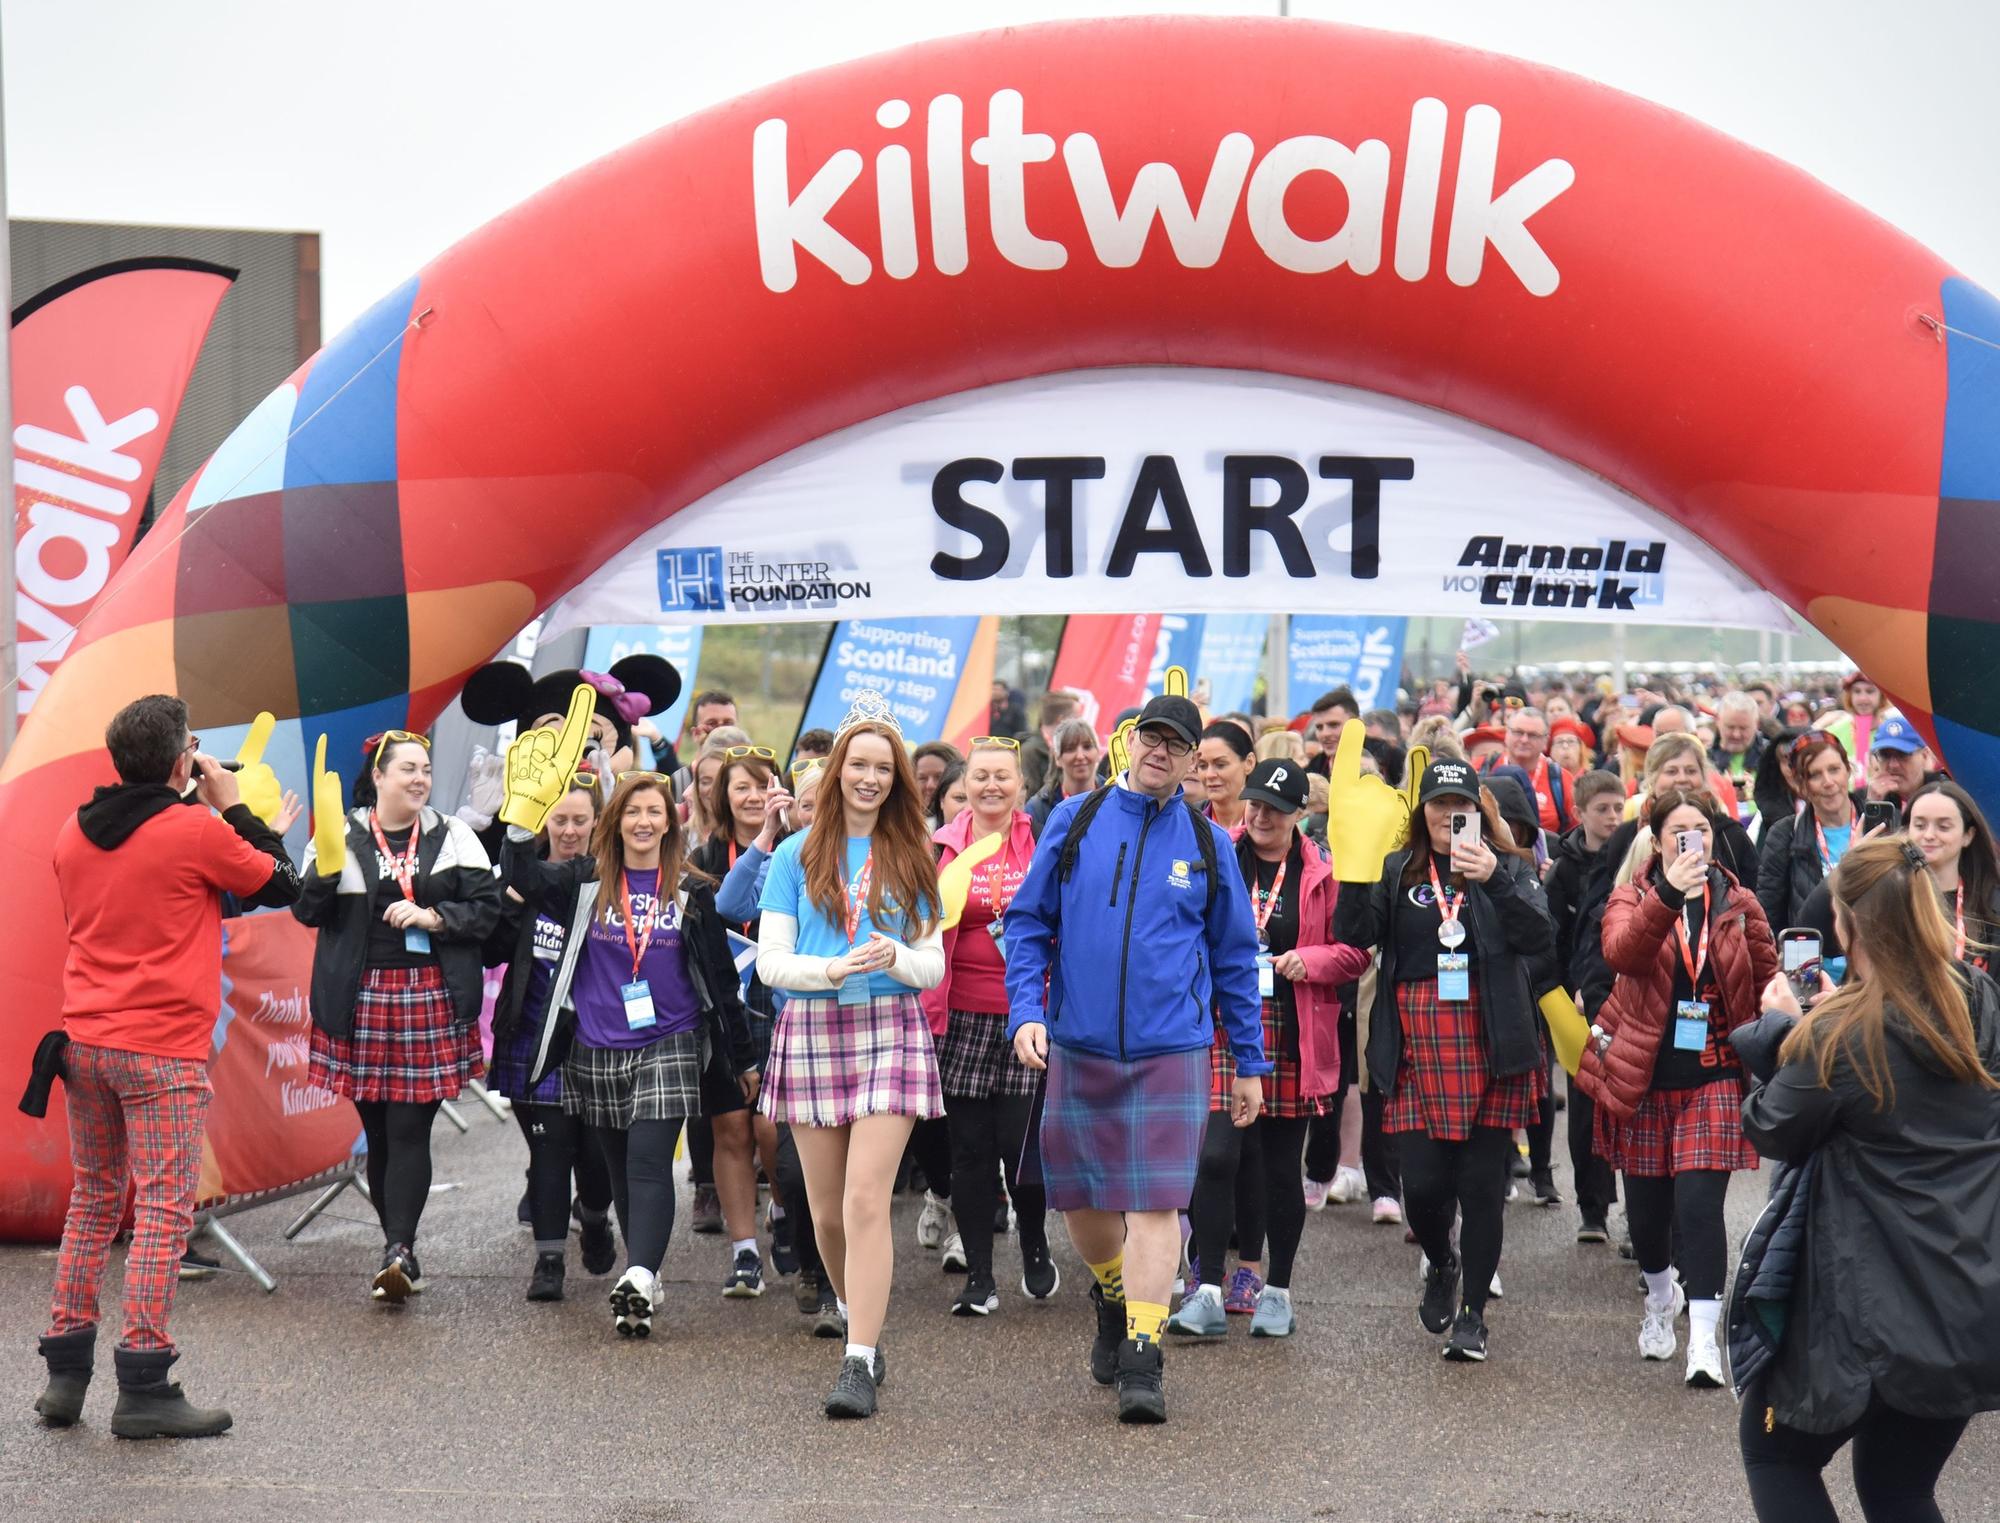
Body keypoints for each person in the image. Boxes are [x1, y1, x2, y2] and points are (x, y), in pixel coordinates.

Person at [36, 696, 301, 1439]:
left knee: (94, 1201)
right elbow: (283, 884)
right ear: (183, 759)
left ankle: (65, 1375)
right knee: (160, 1211)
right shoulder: (194, 830)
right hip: (160, 1052)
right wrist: (235, 809)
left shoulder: (73, 830)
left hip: (85, 1041)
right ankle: (144, 1383)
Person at [1006, 690, 1267, 1423]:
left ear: (1193, 763)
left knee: (1155, 1204)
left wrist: (1248, 1062)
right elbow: (1027, 924)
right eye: (1152, 737)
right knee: (1082, 1202)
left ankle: (1143, 1357)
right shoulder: (1075, 818)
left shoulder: (1209, 843)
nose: (1161, 751)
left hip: (1172, 1048)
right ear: (1131, 742)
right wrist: (1026, 1011)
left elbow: (1236, 958)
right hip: (1077, 1042)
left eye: (1177, 745)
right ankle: (1114, 1295)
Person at [1734, 836, 2000, 1522]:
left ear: (1848, 924)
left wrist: (1785, 1028)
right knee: (1897, 1487)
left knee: (1775, 1454)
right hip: (1967, 1298)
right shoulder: (1980, 1000)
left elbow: (1772, 1125)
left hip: (1869, 1309)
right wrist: (1827, 1020)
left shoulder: (1843, 1034)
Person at [504, 770, 759, 1338]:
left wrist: (742, 1058)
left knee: (648, 1161)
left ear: (670, 823)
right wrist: (522, 816)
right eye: (632, 812)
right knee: (620, 1169)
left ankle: (639, 1273)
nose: (643, 822)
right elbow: (522, 876)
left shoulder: (691, 889)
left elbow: (722, 980)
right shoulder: (584, 880)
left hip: (672, 1044)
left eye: (654, 812)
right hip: (595, 1046)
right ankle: (646, 1275)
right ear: (614, 822)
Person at [755, 695, 946, 1419]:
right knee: (827, 1213)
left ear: (898, 780)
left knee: (867, 1199)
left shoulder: (913, 853)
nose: (870, 778)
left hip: (891, 1028)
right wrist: (830, 969)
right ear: (836, 770)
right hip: (811, 1025)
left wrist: (895, 956)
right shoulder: (794, 854)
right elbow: (771, 962)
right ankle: (853, 1307)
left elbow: (931, 965)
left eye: (884, 768)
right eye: (858, 765)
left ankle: (858, 1356)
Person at [1332, 757, 1554, 1364]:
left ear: (1478, 811)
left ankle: (1473, 1315)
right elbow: (1354, 934)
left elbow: (1540, 938)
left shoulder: (1509, 865)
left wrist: (1495, 880)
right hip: (1416, 1036)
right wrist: (1352, 869)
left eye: (1462, 804)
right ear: (1421, 811)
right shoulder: (1397, 868)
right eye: (1439, 803)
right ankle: (1442, 1260)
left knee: (1481, 1186)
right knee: (1424, 1186)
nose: (1450, 814)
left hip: (1490, 1033)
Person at [1578, 788, 1775, 1388]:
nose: (1694, 841)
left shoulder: (1738, 902)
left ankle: (1705, 1341)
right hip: (1645, 1075)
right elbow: (1623, 954)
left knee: (1699, 1207)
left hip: (1714, 1072)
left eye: (1703, 830)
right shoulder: (1631, 896)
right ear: (1657, 839)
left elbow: (1766, 976)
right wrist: (1667, 894)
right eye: (1679, 831)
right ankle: (1660, 1298)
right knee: (1648, 1216)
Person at [297, 732, 501, 1305]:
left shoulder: (452, 834)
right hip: (359, 997)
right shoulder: (339, 833)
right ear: (379, 776)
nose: (420, 779)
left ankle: (399, 1250)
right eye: (408, 768)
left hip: (431, 993)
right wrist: (326, 868)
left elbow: (486, 910)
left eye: (426, 769)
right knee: (381, 1131)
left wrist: (434, 917)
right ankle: (397, 1250)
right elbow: (308, 911)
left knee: (411, 1128)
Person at [1173, 759, 1368, 1341]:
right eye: (1255, 803)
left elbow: (1356, 951)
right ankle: (1208, 1288)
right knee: (1216, 1156)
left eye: (1275, 809)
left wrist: (1312, 960)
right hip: (1222, 1023)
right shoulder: (1216, 851)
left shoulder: (1323, 871)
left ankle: (1276, 1291)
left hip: (1292, 1027)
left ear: (1300, 813)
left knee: (1282, 1168)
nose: (1260, 816)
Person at [922, 737, 1055, 1316]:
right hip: (959, 1016)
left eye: (1003, 775)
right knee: (970, 1153)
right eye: (981, 776)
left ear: (1021, 785)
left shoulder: (1043, 841)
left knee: (1021, 1148)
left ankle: (1034, 1243)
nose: (991, 785)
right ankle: (979, 1276)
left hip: (1027, 1016)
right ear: (964, 785)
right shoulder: (940, 846)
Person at [483, 770, 617, 1302]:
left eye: (580, 820)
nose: (569, 831)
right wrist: (512, 904)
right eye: (559, 820)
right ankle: (549, 1261)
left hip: (598, 1039)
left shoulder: (613, 881)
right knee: (549, 1148)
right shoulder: (523, 878)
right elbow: (490, 949)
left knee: (597, 1157)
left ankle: (595, 1215)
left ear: (597, 822)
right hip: (532, 1037)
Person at [689, 746, 789, 1297]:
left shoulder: (799, 847)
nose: (753, 797)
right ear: (723, 797)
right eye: (741, 787)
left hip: (779, 1003)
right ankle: (744, 1253)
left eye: (762, 785)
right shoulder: (704, 855)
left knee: (772, 1128)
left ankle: (784, 1209)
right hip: (722, 1004)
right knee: (730, 1129)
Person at [1540, 769, 1627, 1242]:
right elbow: (1552, 939)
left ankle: (1640, 1212)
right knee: (1586, 1105)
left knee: (1634, 1105)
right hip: (1578, 1004)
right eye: (1602, 809)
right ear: (1579, 813)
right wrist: (1565, 990)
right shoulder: (1565, 869)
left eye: (1618, 808)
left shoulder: (1633, 857)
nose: (1612, 817)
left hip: (1627, 996)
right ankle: (1593, 1208)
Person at [1756, 732, 1864, 937]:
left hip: (1872, 952)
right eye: (1815, 775)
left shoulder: (1877, 824)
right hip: (1812, 954)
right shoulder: (1784, 834)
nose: (1828, 782)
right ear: (1801, 785)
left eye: (1834, 770)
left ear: (1848, 770)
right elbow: (1767, 919)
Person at [1502, 706, 1574, 834]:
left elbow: (1576, 831)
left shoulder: (1561, 779)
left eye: (1533, 735)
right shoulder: (1484, 767)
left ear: (1546, 741)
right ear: (1506, 734)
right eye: (1518, 732)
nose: (1524, 740)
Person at [1026, 717, 1103, 835]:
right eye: (1070, 749)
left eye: (1087, 747)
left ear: (1098, 753)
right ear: (1057, 758)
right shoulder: (1039, 809)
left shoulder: (1115, 797)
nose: (1080, 756)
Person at [1192, 719, 1255, 834]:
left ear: (1249, 763)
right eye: (1202, 766)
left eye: (1220, 765)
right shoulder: (1189, 821)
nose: (1209, 775)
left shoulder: (1264, 821)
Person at [1017, 691, 1080, 798]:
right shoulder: (1029, 751)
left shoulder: (1073, 748)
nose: (1081, 723)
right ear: (1062, 719)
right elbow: (1027, 795)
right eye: (1077, 718)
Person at [1303, 687, 1360, 776]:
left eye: (1334, 725)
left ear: (1357, 723)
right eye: (1319, 727)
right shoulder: (1313, 768)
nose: (1325, 734)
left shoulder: (1380, 760)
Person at [913, 740, 964, 829]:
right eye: (922, 778)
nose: (930, 785)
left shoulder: (975, 827)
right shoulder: (901, 829)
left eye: (939, 777)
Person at [933, 762, 970, 827]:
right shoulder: (923, 832)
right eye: (960, 798)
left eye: (976, 801)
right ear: (942, 800)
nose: (968, 808)